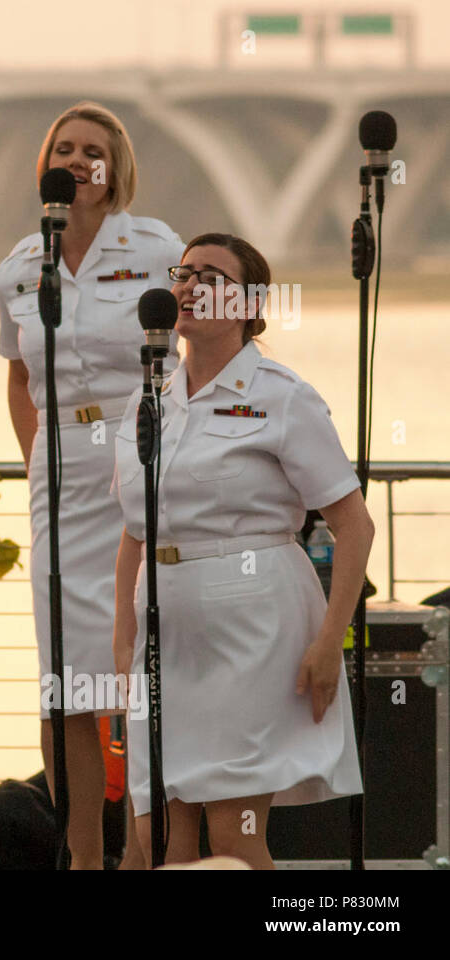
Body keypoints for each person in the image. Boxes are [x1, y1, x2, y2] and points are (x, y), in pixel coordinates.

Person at [111, 233, 371, 869]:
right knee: (159, 842)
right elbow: (134, 530)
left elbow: (354, 525)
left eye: (213, 277)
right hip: (165, 630)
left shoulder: (282, 395)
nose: (191, 286)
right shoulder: (150, 398)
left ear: (251, 303)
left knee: (233, 839)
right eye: (184, 273)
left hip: (253, 628)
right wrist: (122, 636)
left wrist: (329, 644)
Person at [0, 101, 185, 868]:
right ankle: (78, 857)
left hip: (143, 448)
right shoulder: (17, 266)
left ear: (115, 169)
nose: (77, 160)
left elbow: (191, 357)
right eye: (64, 148)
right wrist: (40, 452)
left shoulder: (159, 246)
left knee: (141, 661)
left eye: (92, 151)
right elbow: (18, 377)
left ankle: (145, 849)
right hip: (61, 463)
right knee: (66, 677)